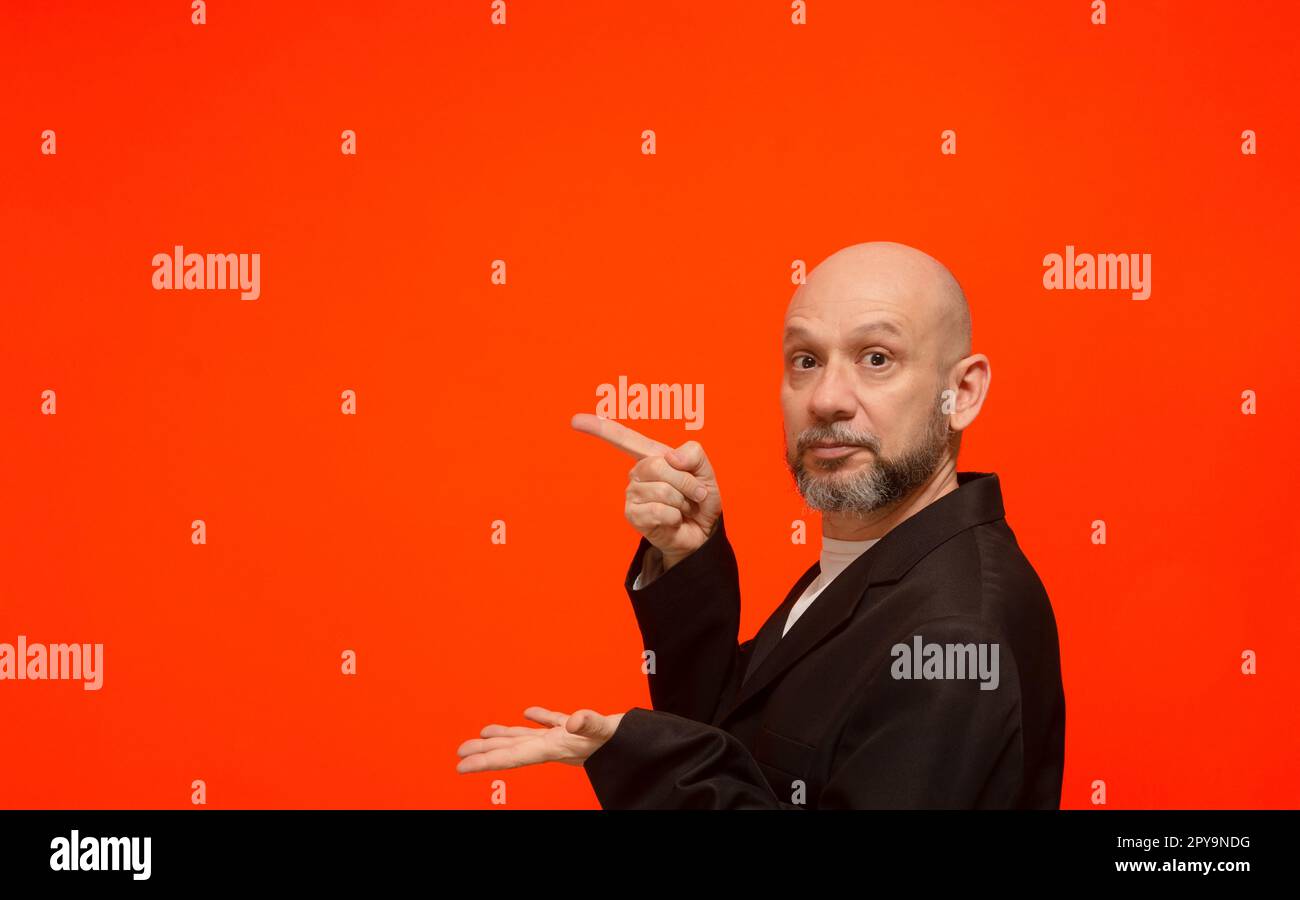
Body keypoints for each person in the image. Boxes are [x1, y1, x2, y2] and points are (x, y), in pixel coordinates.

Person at [455, 241, 1066, 809]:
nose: (826, 398)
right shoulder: (873, 560)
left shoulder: (954, 634)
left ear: (960, 393)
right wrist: (690, 561)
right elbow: (745, 733)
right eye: (805, 360)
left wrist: (644, 753)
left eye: (876, 358)